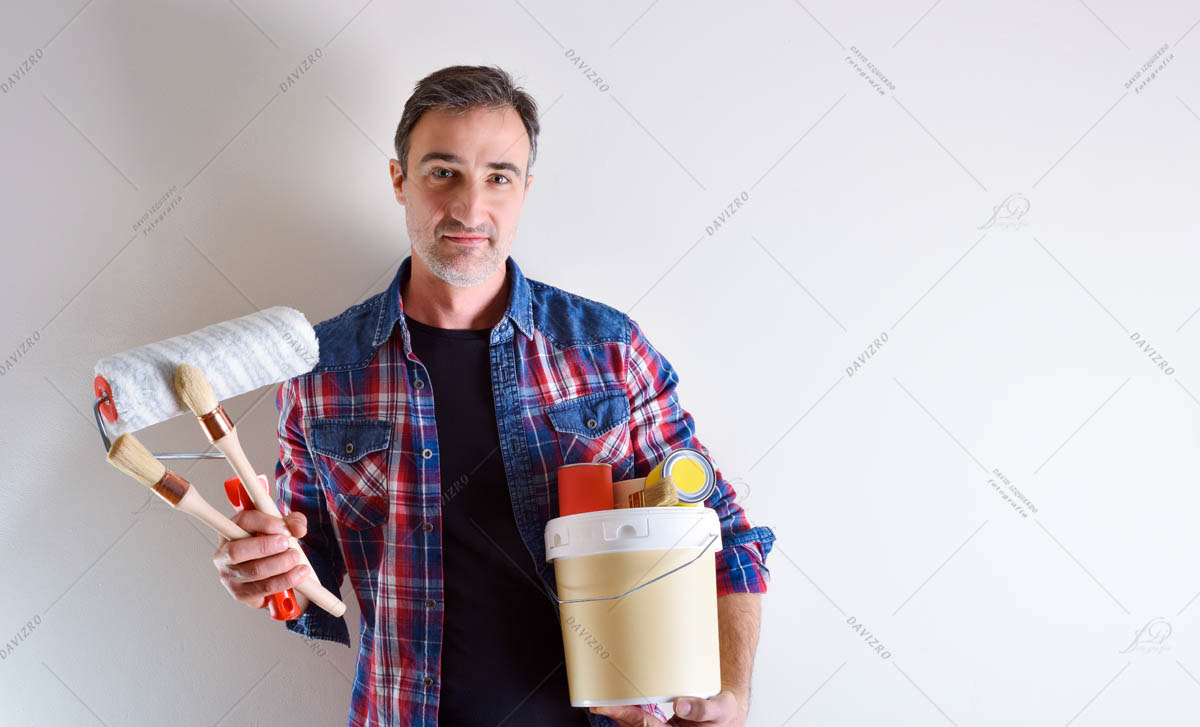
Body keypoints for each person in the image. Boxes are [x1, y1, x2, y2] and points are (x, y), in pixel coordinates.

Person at [211, 64, 775, 727]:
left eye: (497, 177)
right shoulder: (320, 371)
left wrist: (731, 694)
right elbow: (311, 567)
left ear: (525, 189)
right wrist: (264, 567)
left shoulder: (608, 352)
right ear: (399, 180)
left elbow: (727, 536)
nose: (470, 207)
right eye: (442, 172)